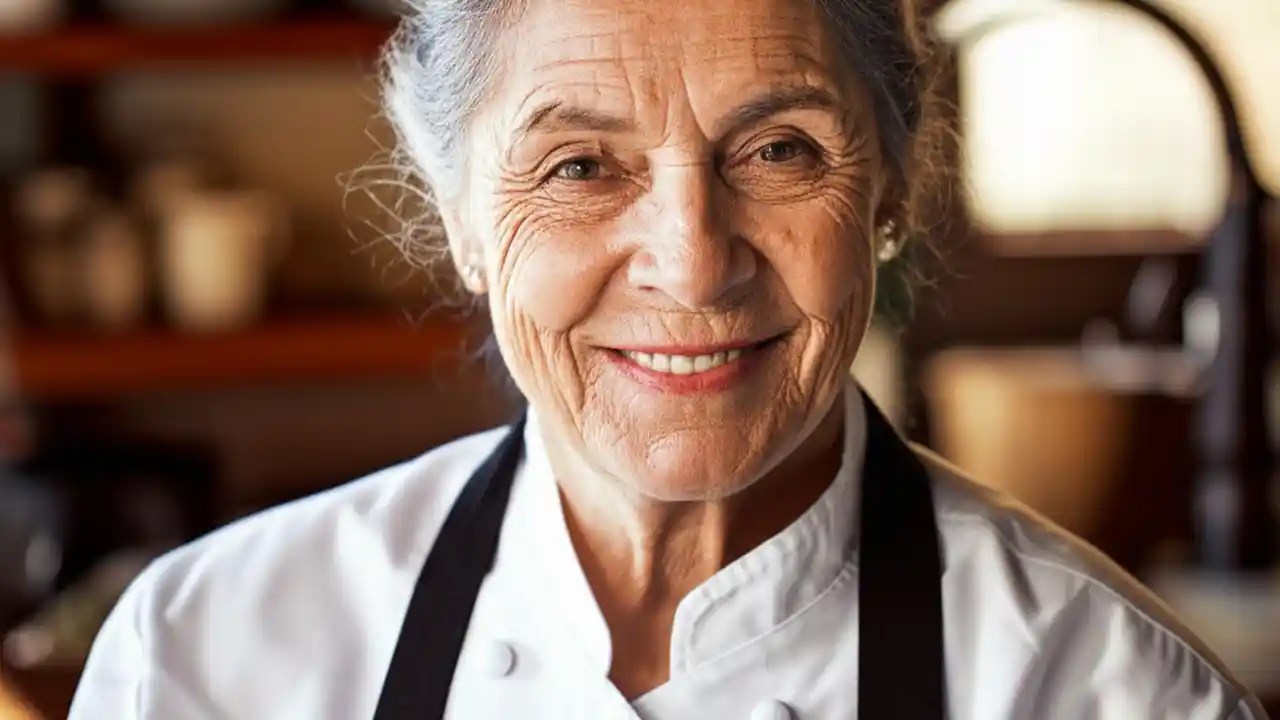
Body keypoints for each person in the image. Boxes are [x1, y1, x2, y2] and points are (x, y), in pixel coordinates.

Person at [70, 0, 1269, 717]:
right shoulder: (202, 658)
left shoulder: (1102, 691)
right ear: (460, 222)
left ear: (890, 194)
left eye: (779, 151)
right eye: (581, 167)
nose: (691, 266)